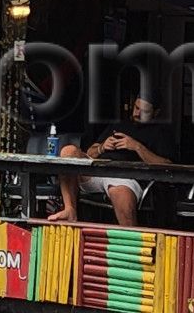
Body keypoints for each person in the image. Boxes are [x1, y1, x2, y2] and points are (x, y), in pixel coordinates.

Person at [49, 88, 177, 224]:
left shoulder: (160, 132)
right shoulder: (119, 124)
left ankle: (130, 239)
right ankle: (70, 210)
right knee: (69, 151)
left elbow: (167, 165)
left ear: (156, 113)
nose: (137, 114)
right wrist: (102, 147)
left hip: (126, 178)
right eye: (136, 107)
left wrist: (137, 147)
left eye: (144, 111)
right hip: (97, 171)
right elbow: (89, 153)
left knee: (120, 193)